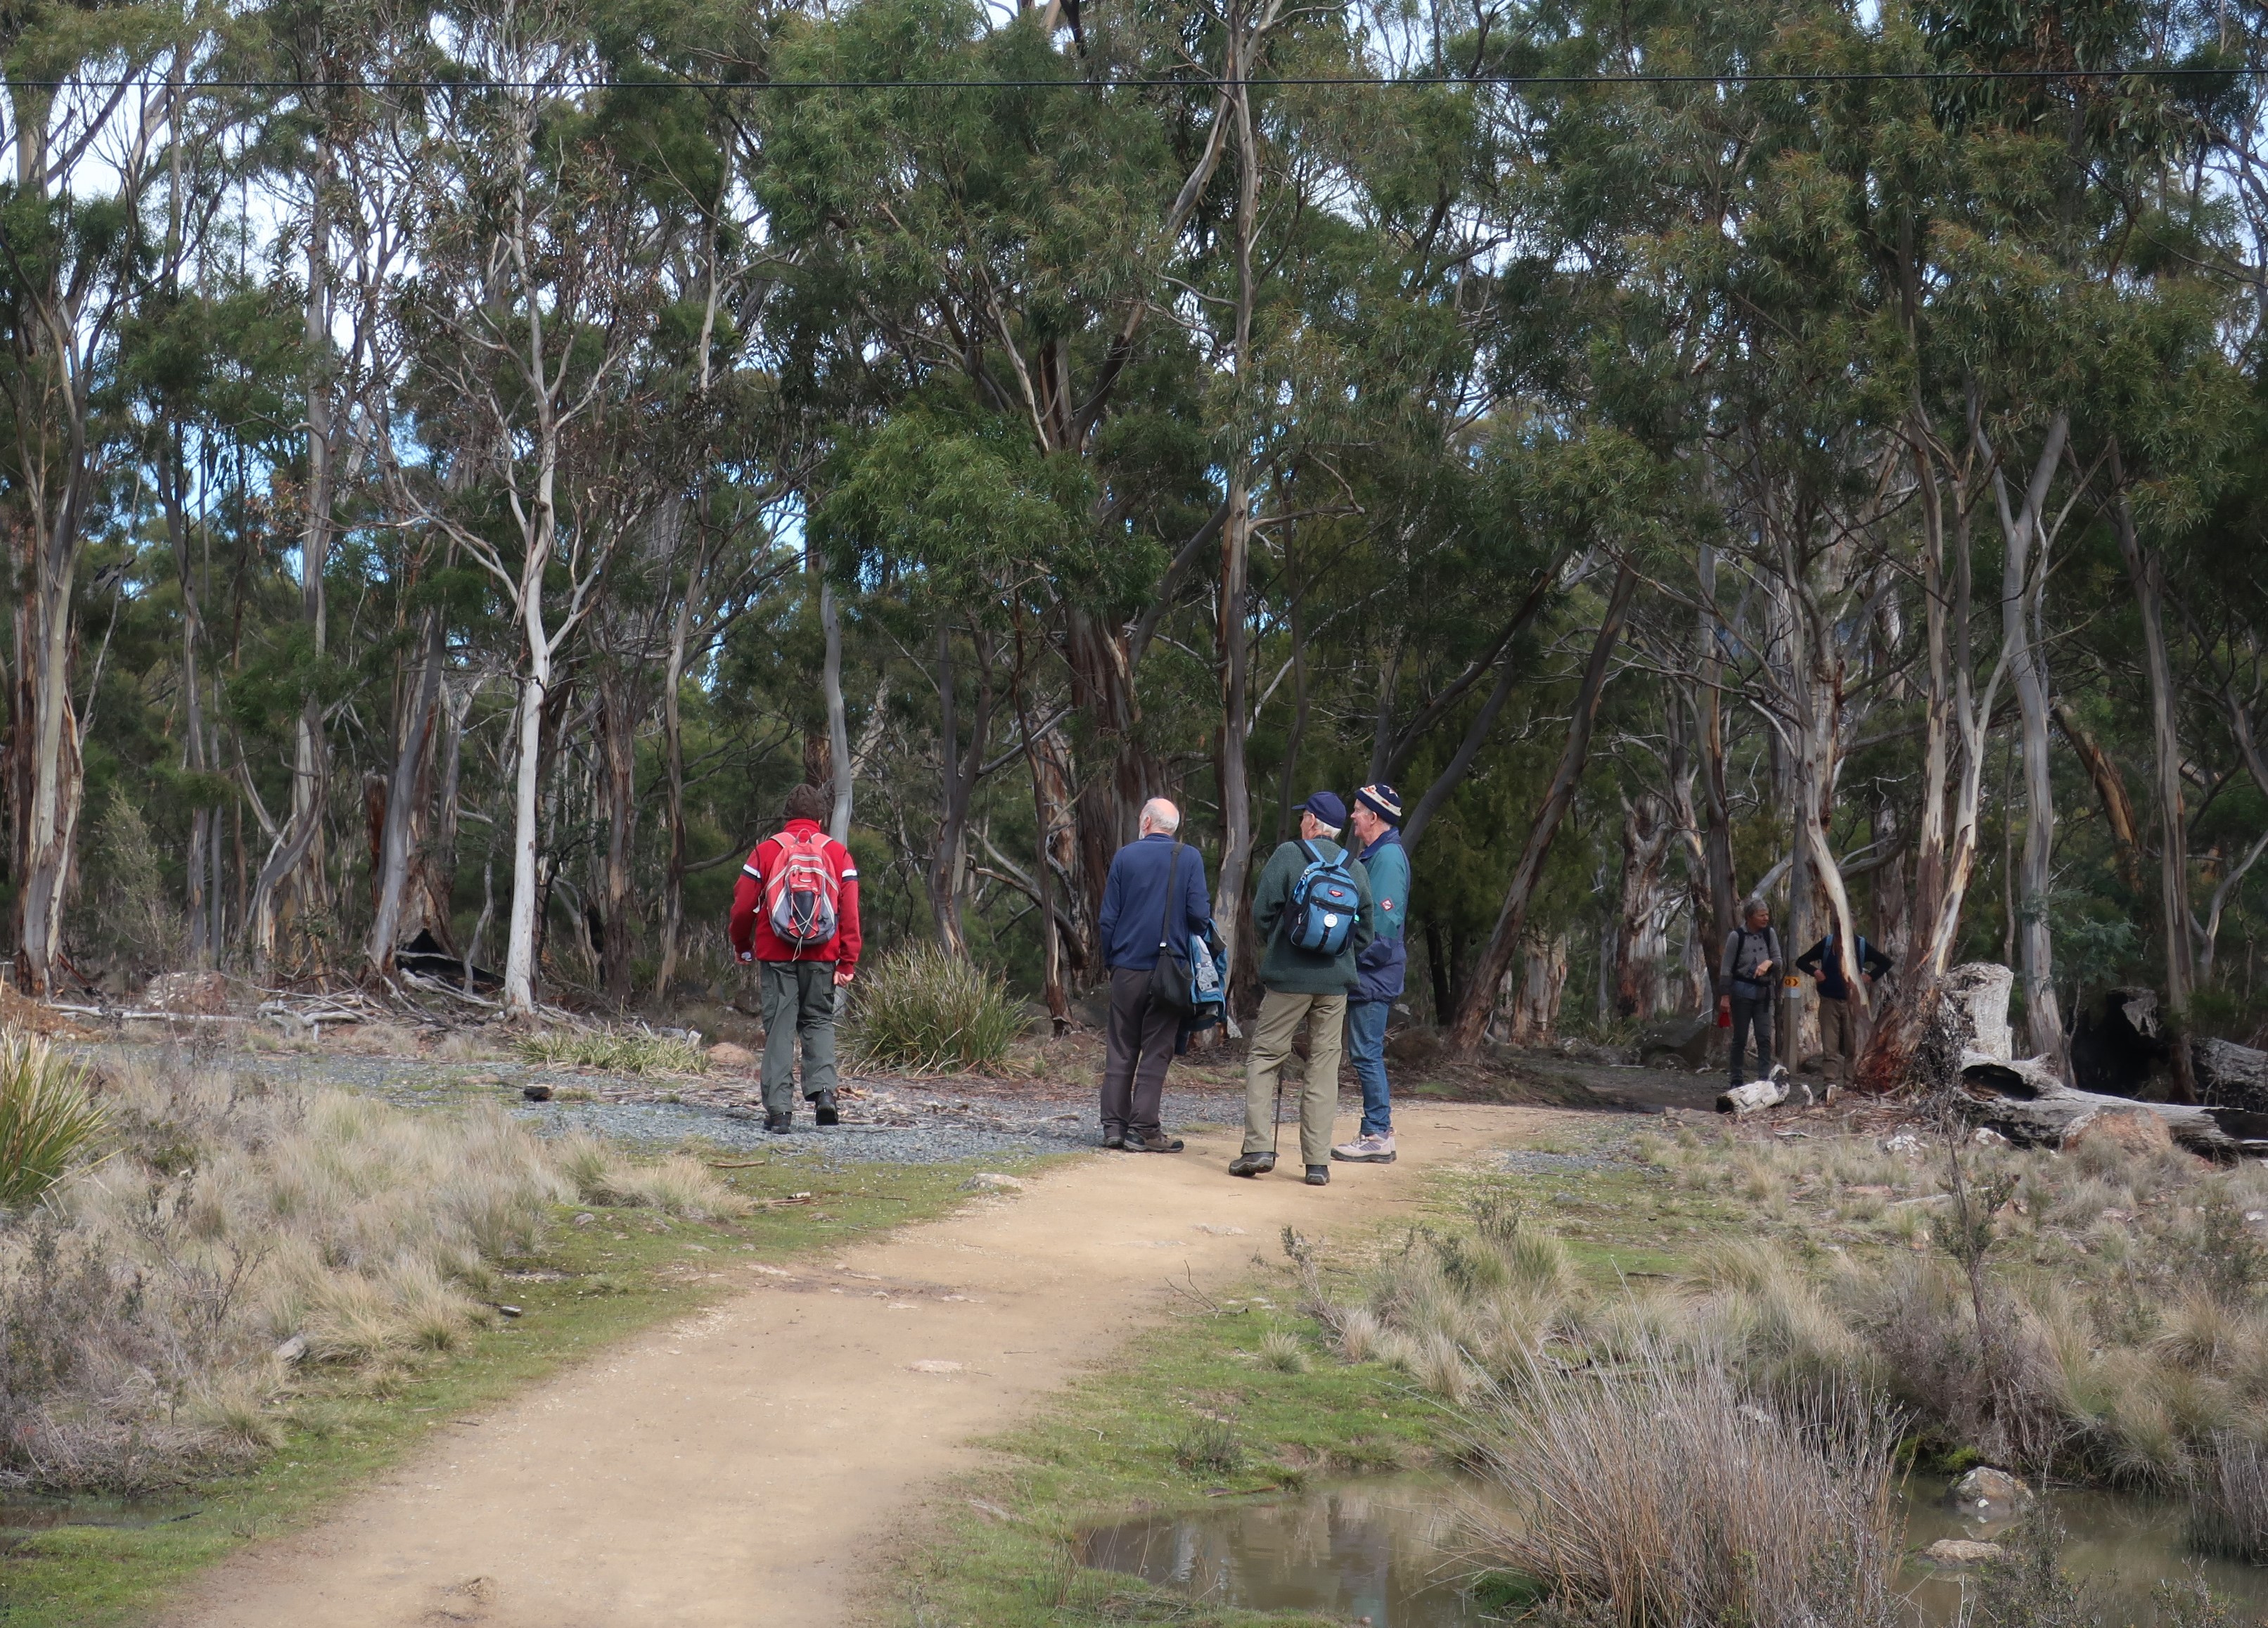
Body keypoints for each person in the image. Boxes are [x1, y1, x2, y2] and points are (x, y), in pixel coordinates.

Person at [1229, 792, 1376, 1187]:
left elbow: (1262, 913)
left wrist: (1282, 946)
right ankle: (1317, 1164)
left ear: (1312, 821)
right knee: (1324, 1068)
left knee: (1265, 1056)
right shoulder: (1355, 867)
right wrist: (1338, 956)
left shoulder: (1289, 855)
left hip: (1289, 979)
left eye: (1303, 817)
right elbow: (1365, 932)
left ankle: (1258, 1149)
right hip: (1335, 985)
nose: (1301, 824)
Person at [729, 783, 862, 1134]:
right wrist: (847, 960)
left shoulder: (766, 850)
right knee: (818, 1020)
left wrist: (742, 944)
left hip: (776, 954)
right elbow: (850, 910)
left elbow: (743, 906)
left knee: (780, 1028)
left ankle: (780, 1112)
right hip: (823, 954)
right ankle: (825, 1095)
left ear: (786, 816)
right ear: (821, 817)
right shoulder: (838, 853)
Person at [1094, 797, 1212, 1153]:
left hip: (1127, 966)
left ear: (1146, 822)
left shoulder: (1125, 857)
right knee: (1157, 1049)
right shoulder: (1189, 857)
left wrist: (1112, 961)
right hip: (1170, 969)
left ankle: (1114, 1128)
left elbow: (1107, 919)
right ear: (1172, 827)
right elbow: (1199, 916)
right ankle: (1144, 1128)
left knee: (1121, 1047)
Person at [1333, 783, 1407, 1165]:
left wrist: (1350, 960)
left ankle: (1377, 1134)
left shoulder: (1388, 857)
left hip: (1373, 975)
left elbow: (1383, 928)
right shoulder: (1378, 854)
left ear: (1374, 817)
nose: (1353, 817)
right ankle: (1378, 1132)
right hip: (1371, 972)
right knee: (1365, 1053)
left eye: (1358, 810)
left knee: (1366, 1054)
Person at [1795, 928, 1893, 1081]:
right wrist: (1816, 972)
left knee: (1852, 1046)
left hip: (1852, 1003)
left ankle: (1850, 1082)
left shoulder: (1860, 945)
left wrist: (1870, 977)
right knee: (1830, 1046)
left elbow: (1886, 963)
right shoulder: (1828, 944)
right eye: (1836, 923)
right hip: (1829, 1001)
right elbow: (1801, 961)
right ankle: (1830, 1082)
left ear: (1853, 923)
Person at [1717, 899, 1781, 1089]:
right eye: (1761, 915)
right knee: (1740, 1038)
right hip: (1741, 993)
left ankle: (1764, 1079)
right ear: (1750, 917)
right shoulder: (1736, 936)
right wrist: (1725, 996)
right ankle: (1736, 1080)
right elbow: (1726, 968)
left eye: (1767, 915)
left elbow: (1778, 960)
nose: (1766, 918)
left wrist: (1768, 963)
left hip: (1764, 993)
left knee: (1764, 1037)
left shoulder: (1769, 934)